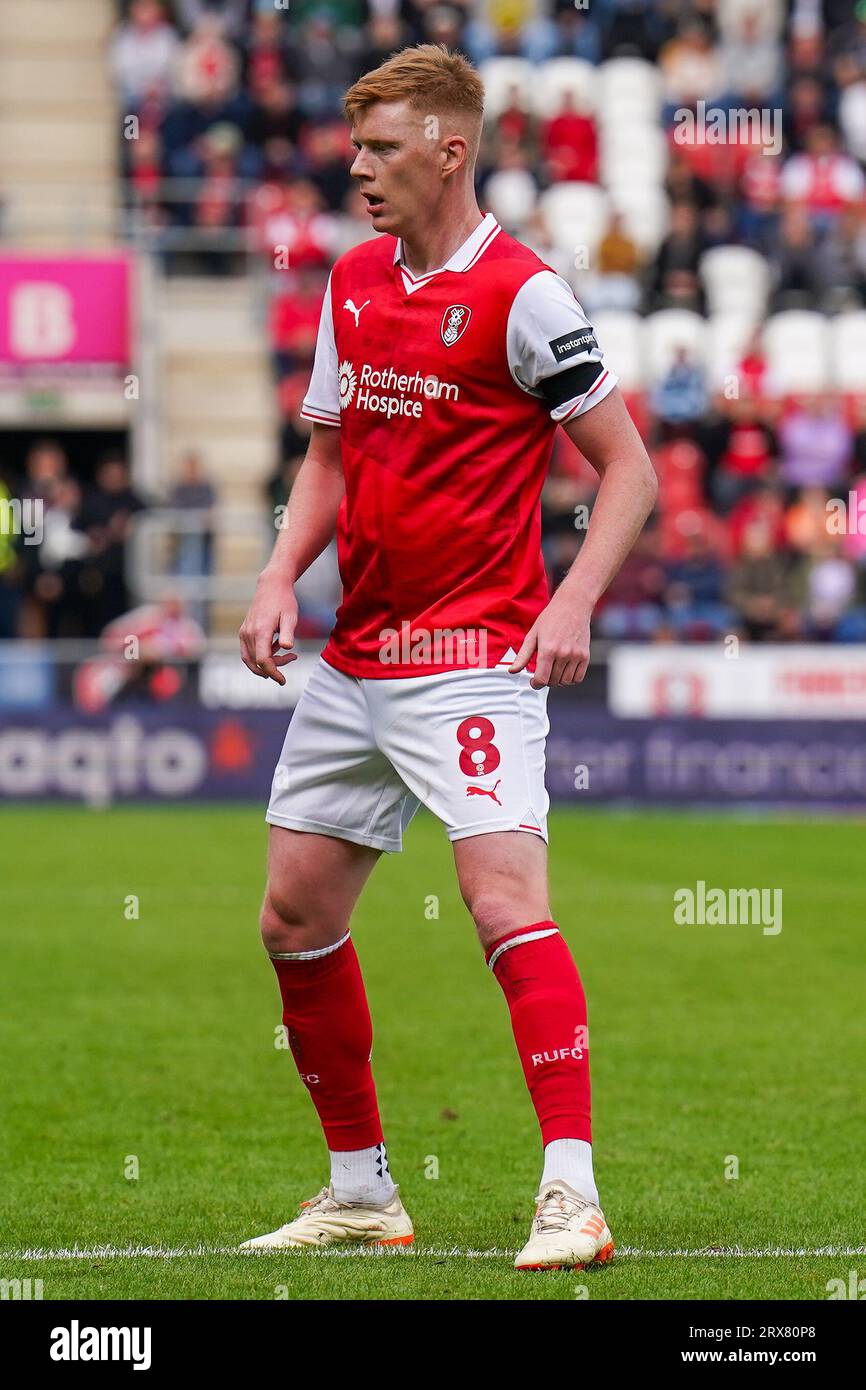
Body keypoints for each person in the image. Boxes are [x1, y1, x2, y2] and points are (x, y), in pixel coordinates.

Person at [237, 44, 657, 1271]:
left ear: (449, 148)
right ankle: (360, 1188)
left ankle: (571, 1196)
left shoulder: (525, 293)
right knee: (292, 913)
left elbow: (625, 469)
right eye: (355, 146)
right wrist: (276, 575)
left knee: (500, 903)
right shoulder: (354, 278)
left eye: (380, 147)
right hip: (356, 658)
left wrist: (571, 600)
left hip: (472, 657)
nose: (358, 167)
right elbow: (327, 452)